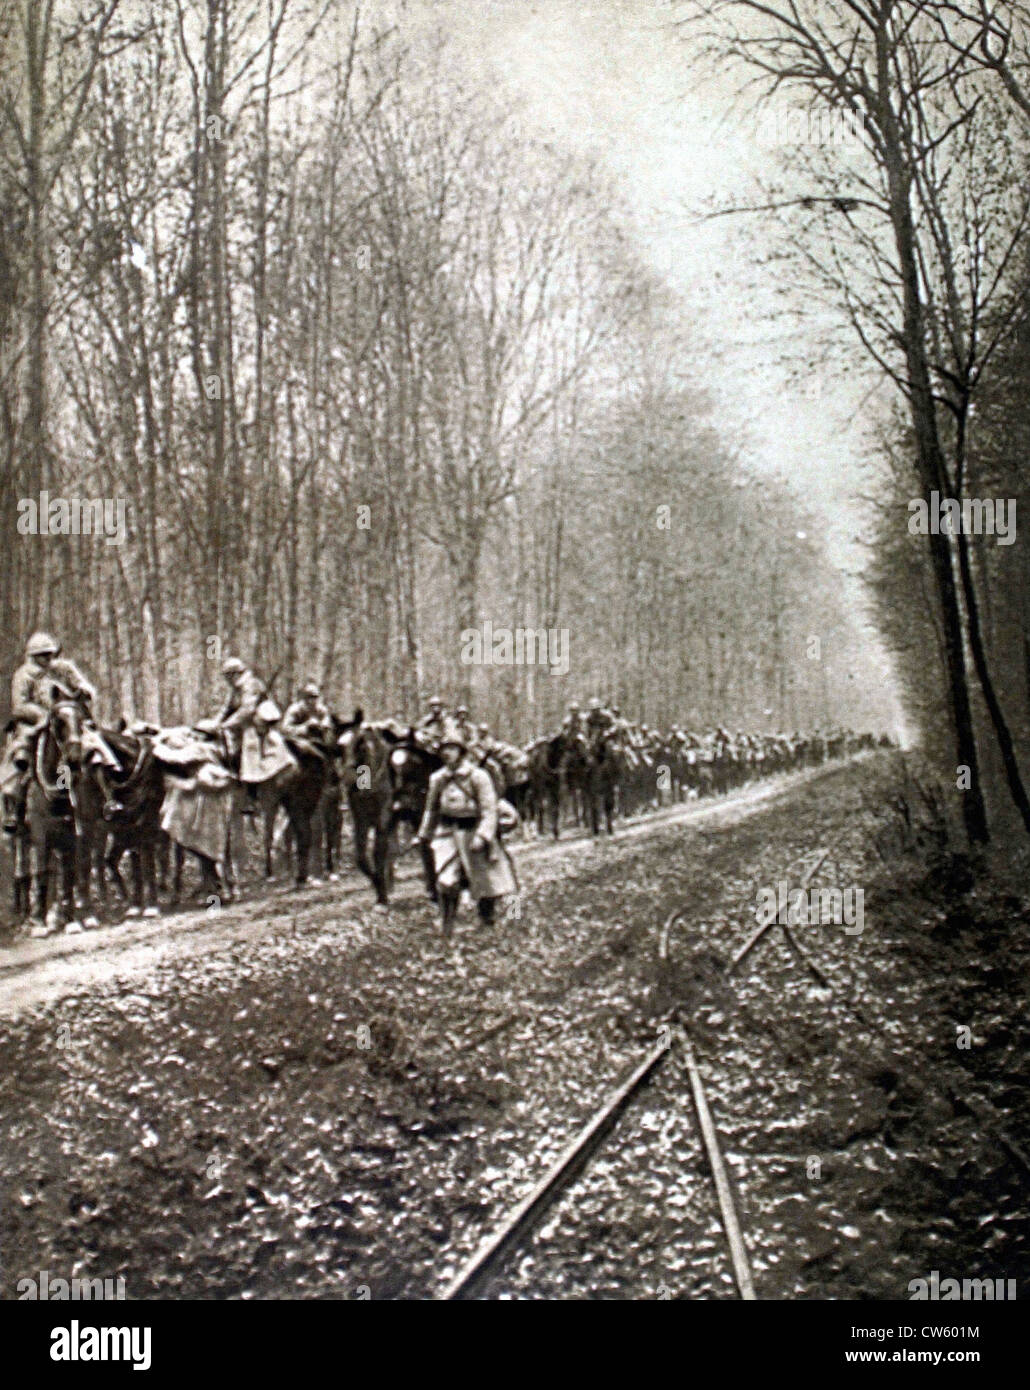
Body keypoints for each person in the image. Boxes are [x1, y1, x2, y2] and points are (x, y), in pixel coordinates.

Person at [417, 723, 517, 936]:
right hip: (447, 832)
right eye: (443, 749)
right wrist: (423, 834)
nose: (446, 753)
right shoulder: (437, 778)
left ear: (461, 751)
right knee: (446, 881)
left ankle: (488, 920)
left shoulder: (478, 775)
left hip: (473, 829)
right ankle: (446, 925)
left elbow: (489, 810)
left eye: (452, 749)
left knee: (486, 882)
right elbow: (431, 809)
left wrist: (483, 835)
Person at [1, 633, 115, 807]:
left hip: (68, 719)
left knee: (94, 744)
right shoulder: (24, 675)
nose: (48, 658)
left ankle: (107, 793)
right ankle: (13, 807)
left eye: (50, 654)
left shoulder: (63, 669)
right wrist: (44, 716)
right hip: (36, 722)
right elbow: (20, 705)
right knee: (20, 752)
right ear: (33, 657)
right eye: (43, 655)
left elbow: (83, 685)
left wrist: (83, 691)